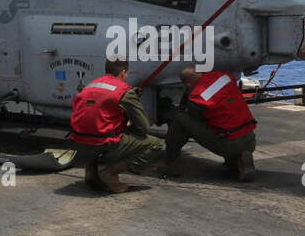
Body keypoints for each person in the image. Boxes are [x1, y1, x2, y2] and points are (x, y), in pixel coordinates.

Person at [69, 58, 164, 193]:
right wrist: (132, 105)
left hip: (78, 145)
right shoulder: (124, 91)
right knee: (155, 144)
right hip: (103, 145)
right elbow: (144, 127)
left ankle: (90, 172)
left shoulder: (90, 86)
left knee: (94, 127)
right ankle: (110, 173)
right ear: (123, 72)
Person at [164, 67, 258, 182]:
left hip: (230, 143)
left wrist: (177, 110)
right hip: (249, 138)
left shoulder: (197, 98)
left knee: (180, 120)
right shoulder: (224, 76)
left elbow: (196, 121)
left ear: (188, 85)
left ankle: (170, 162)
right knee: (224, 121)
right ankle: (239, 161)